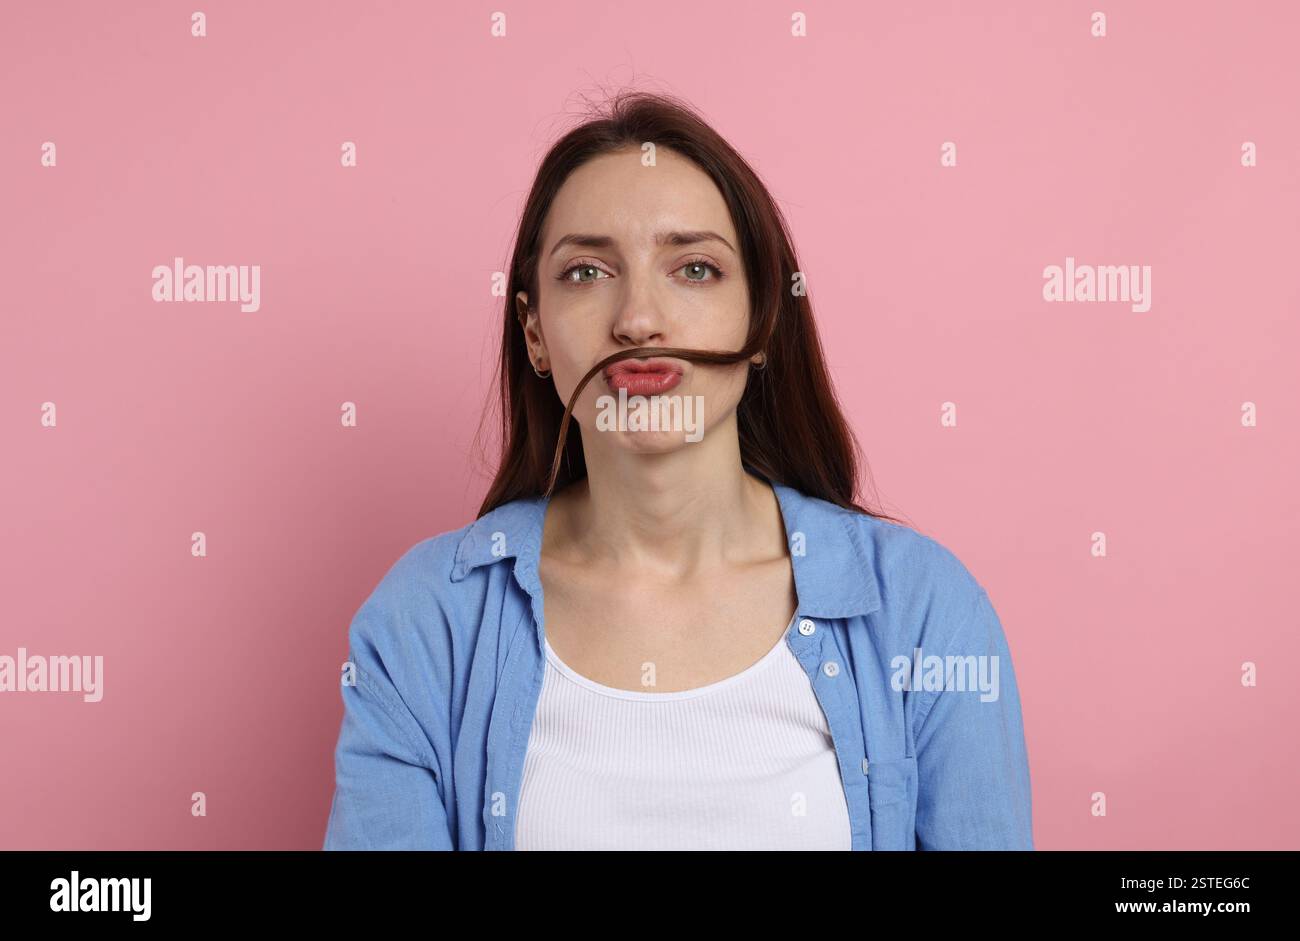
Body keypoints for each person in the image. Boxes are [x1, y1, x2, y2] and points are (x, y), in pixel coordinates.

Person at [323, 90, 1033, 850]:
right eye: (587, 272)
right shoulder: (423, 624)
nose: (638, 319)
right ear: (534, 332)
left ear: (763, 319)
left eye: (694, 268)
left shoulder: (926, 613)